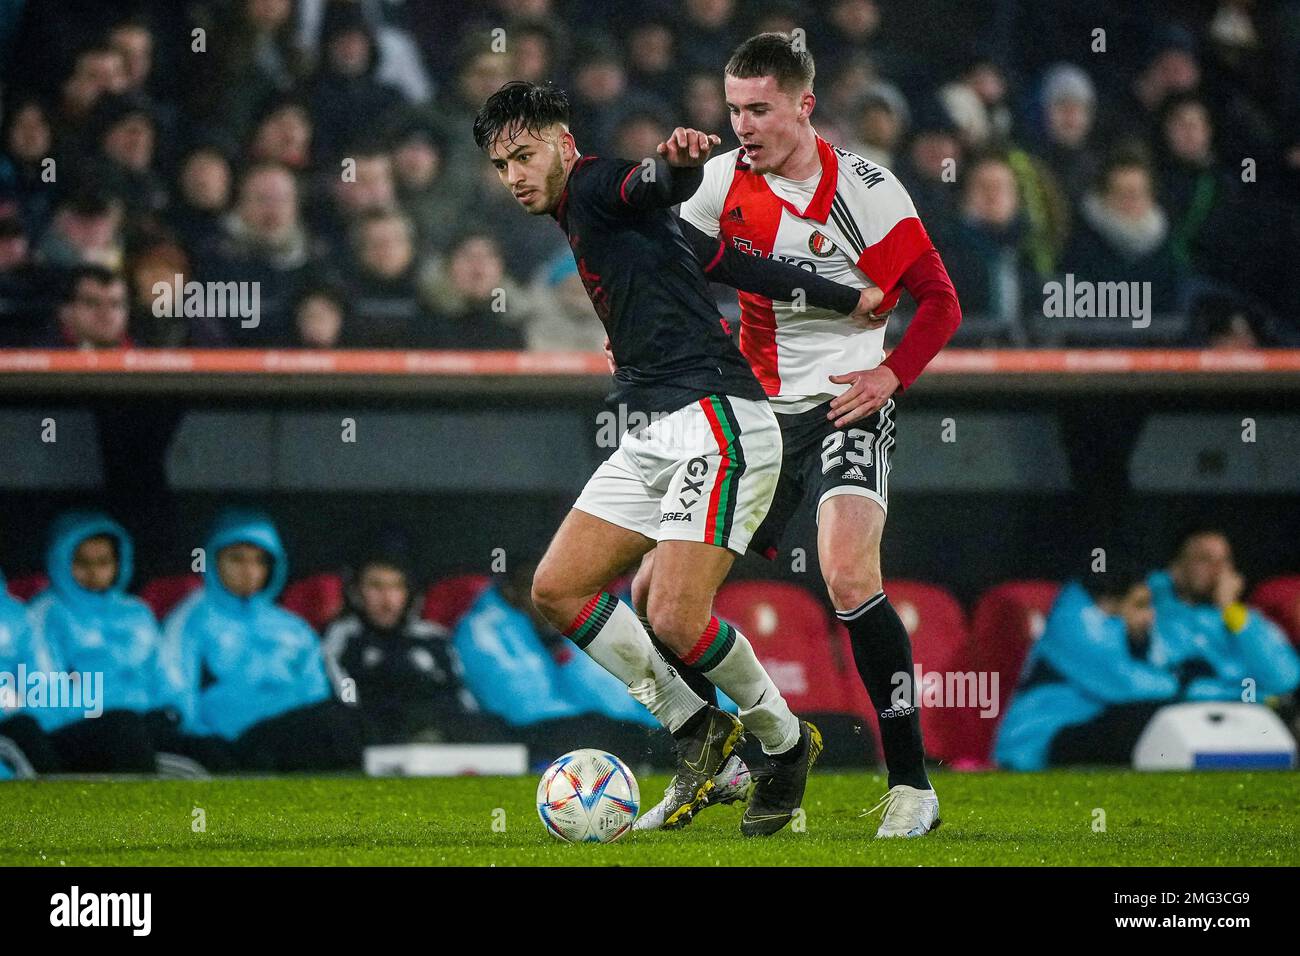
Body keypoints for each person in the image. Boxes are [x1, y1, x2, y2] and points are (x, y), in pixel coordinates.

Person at [472, 80, 881, 836]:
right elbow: (729, 260)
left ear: (563, 144)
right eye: (502, 166)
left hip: (721, 421)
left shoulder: (596, 186)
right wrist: (837, 295)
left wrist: (677, 166)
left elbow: (650, 179)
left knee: (671, 609)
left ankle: (784, 743)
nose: (515, 175)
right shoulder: (610, 220)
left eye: (524, 155)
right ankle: (699, 730)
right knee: (559, 589)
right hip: (659, 430)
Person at [633, 32, 961, 839]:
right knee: (653, 594)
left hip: (848, 401)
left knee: (850, 576)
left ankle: (913, 786)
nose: (742, 124)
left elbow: (941, 301)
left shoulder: (868, 192)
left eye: (759, 109)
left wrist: (890, 376)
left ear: (804, 105)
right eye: (733, 108)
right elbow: (676, 257)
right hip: (754, 413)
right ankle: (734, 759)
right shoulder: (718, 182)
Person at [160, 509, 363, 771]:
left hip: (291, 736)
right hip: (230, 741)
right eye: (237, 559)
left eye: (259, 561)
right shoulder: (190, 619)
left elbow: (315, 691)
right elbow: (176, 691)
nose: (249, 571)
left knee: (341, 724)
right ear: (213, 560)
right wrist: (202, 742)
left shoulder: (293, 626)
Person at [25, 512, 181, 772]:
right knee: (124, 727)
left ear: (118, 563)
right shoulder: (44, 613)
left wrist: (172, 710)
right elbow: (43, 691)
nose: (94, 571)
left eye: (103, 561)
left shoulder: (137, 612)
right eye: (82, 562)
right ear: (61, 561)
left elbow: (167, 671)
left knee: (207, 748)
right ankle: (141, 811)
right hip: (76, 728)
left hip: (140, 723)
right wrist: (115, 709)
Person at [994, 569, 1177, 771]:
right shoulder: (1075, 624)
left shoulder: (1127, 635)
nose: (1150, 616)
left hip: (1080, 728)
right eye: (1140, 605)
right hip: (1036, 742)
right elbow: (1124, 684)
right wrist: (1183, 681)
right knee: (1142, 720)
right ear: (1109, 603)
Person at [321, 546, 492, 745]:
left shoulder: (434, 639)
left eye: (396, 587)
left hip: (440, 729)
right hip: (376, 731)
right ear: (356, 592)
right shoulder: (342, 637)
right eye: (376, 586)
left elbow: (461, 696)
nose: (387, 599)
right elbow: (345, 692)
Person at [1147, 528, 1300, 704]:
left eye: (1224, 560)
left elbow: (1284, 679)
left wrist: (1231, 610)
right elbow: (1164, 675)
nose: (1218, 569)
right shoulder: (1151, 609)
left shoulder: (1242, 617)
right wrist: (1238, 691)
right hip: (1176, 714)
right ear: (1176, 569)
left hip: (1241, 718)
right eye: (1204, 559)